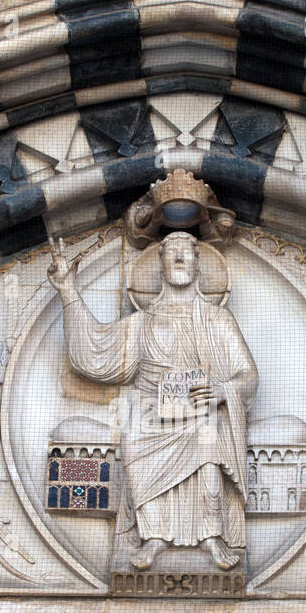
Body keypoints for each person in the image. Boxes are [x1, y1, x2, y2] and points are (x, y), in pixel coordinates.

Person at [49, 232, 258, 571]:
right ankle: (154, 536)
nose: (178, 257)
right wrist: (68, 290)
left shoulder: (218, 319)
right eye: (171, 251)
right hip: (151, 413)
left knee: (208, 433)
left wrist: (223, 391)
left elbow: (248, 374)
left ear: (197, 263)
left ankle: (212, 535)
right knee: (133, 435)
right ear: (159, 264)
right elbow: (93, 355)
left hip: (201, 410)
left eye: (186, 252)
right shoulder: (141, 323)